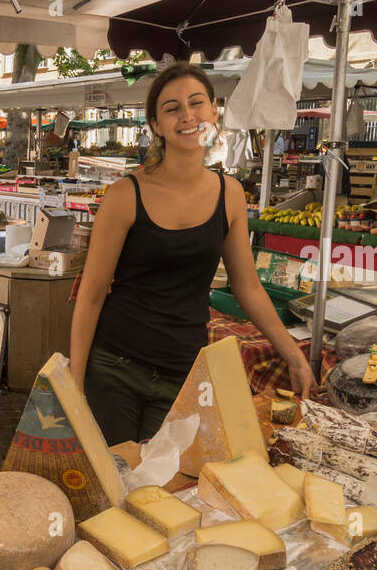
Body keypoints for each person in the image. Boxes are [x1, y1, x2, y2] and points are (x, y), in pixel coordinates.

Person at [70, 61, 316, 447]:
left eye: (196, 103)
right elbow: (92, 293)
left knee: (161, 490)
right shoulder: (125, 195)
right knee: (112, 486)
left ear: (213, 112)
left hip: (183, 372)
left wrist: (294, 356)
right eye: (172, 108)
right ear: (156, 124)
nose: (187, 116)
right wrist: (76, 382)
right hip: (115, 365)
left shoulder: (230, 193)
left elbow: (248, 287)